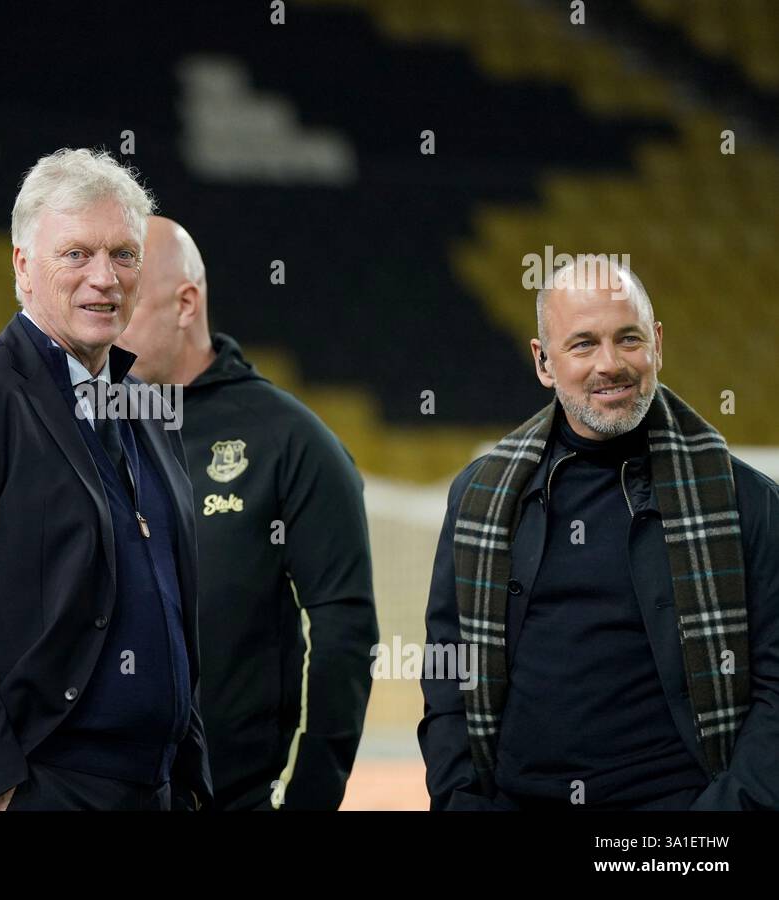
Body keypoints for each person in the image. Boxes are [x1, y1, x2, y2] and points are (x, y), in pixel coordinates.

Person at [0, 149, 212, 811]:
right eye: (76, 254)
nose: (104, 278)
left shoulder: (148, 410)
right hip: (39, 789)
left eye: (123, 255)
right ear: (22, 266)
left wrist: (189, 771)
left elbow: (169, 600)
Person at [419, 257, 779, 810]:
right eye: (583, 344)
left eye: (627, 339)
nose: (609, 364)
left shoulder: (744, 501)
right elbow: (448, 669)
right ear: (544, 362)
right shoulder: (479, 498)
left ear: (656, 343)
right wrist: (460, 799)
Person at [117, 216, 376, 810]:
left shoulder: (290, 442)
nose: (105, 322)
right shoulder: (83, 426)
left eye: (126, 305)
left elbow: (345, 629)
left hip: (228, 797)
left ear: (185, 304)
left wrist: (313, 794)